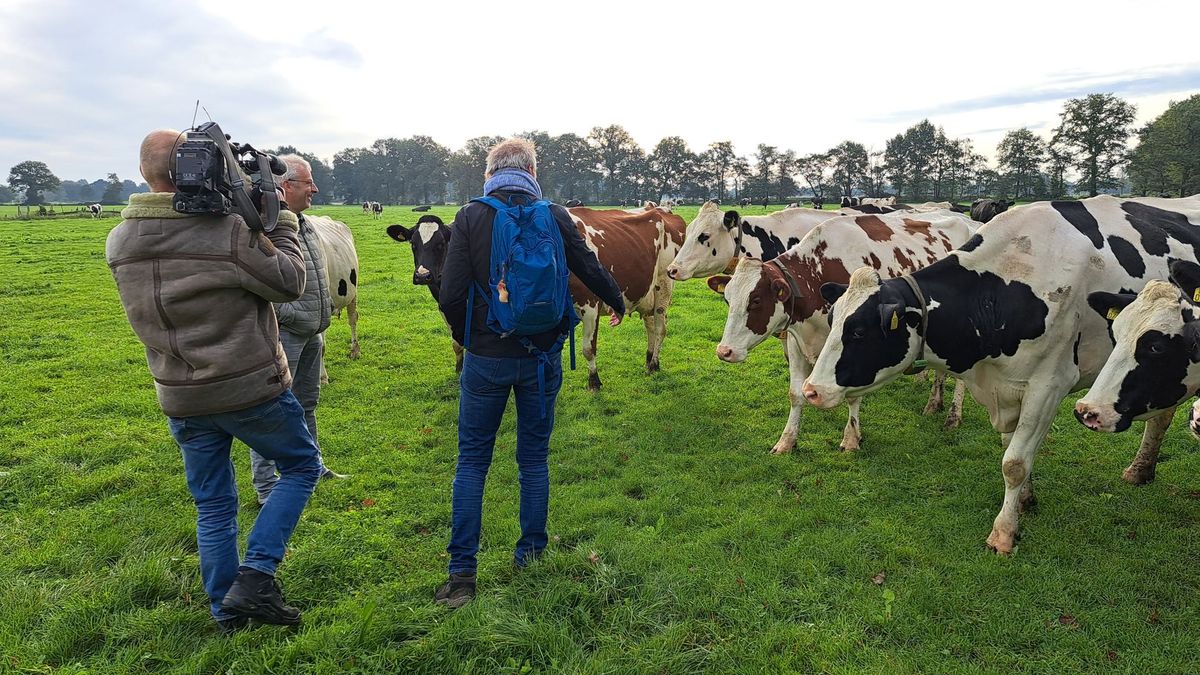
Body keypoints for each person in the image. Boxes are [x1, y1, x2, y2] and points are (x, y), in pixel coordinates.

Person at [106, 129, 320, 632]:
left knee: (214, 505)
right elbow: (290, 282)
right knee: (301, 467)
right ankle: (256, 577)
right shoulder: (224, 232)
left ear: (144, 174)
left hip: (179, 392)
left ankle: (226, 613)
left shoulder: (120, 239)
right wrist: (280, 218)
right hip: (248, 387)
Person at [435, 138, 626, 607]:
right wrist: (617, 299)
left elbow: (450, 293)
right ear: (532, 171)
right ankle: (531, 555)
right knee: (533, 460)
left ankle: (462, 574)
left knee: (472, 462)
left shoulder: (469, 216)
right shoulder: (555, 214)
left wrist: (470, 337)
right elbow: (590, 267)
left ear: (489, 172)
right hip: (541, 359)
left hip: (485, 359)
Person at [249, 154, 346, 505]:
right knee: (273, 409)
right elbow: (254, 277)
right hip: (285, 332)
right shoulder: (262, 225)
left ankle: (313, 465)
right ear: (285, 186)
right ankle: (266, 485)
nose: (315, 189)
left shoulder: (301, 223)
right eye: (308, 183)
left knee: (307, 403)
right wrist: (285, 314)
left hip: (312, 330)